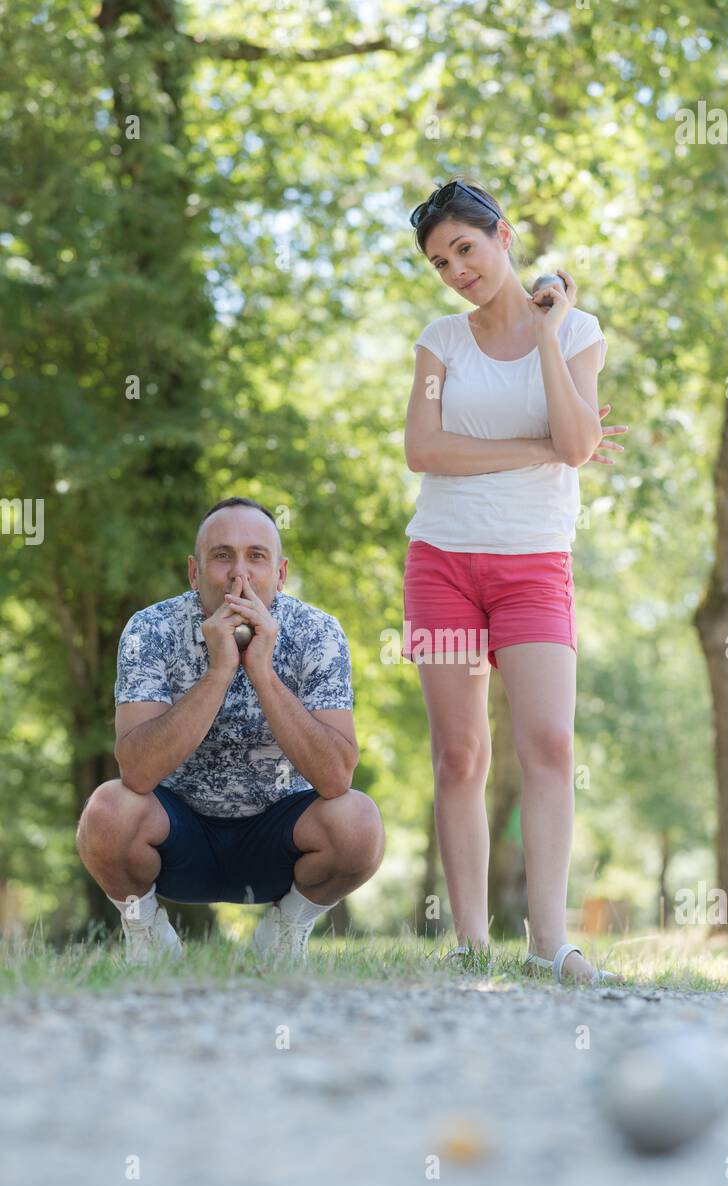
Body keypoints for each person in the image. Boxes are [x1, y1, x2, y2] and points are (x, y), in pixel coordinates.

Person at [403, 178, 627, 985]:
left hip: (535, 562)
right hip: (441, 561)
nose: (456, 269)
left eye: (464, 248)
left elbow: (576, 440)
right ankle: (469, 944)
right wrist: (533, 449)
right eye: (439, 262)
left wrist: (546, 335)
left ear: (502, 235)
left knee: (549, 744)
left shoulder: (578, 336)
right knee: (458, 753)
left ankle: (545, 941)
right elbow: (422, 449)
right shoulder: (439, 342)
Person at [75, 497, 385, 964]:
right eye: (222, 556)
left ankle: (286, 931)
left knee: (359, 823)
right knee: (106, 812)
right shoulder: (151, 628)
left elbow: (336, 777)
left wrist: (262, 671)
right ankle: (146, 933)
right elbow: (136, 772)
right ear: (194, 572)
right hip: (178, 837)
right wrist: (220, 670)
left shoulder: (317, 633)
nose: (239, 575)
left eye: (256, 557)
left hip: (281, 838)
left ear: (280, 573)